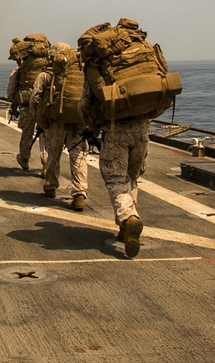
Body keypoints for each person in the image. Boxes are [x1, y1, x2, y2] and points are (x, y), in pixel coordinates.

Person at [78, 22, 150, 259]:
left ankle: (129, 218)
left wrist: (90, 123)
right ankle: (125, 228)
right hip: (142, 128)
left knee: (115, 179)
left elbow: (86, 102)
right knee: (132, 177)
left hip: (115, 128)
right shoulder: (141, 52)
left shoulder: (100, 63)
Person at [30, 42, 88, 210]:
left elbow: (35, 98)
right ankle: (79, 193)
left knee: (53, 154)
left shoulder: (46, 74)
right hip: (78, 121)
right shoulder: (81, 72)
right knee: (79, 156)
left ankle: (50, 185)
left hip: (56, 122)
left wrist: (40, 117)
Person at [8, 35, 50, 171]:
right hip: (44, 102)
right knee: (44, 133)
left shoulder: (20, 70)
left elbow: (11, 90)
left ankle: (24, 158)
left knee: (27, 131)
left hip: (26, 103)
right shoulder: (47, 64)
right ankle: (46, 162)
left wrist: (13, 105)